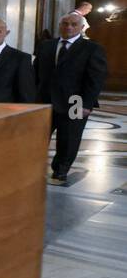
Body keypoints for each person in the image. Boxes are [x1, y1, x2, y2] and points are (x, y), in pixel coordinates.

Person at [34, 12, 108, 181]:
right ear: (60, 25)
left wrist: (87, 104)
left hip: (76, 102)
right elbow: (36, 72)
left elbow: (95, 79)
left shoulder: (92, 49)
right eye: (65, 23)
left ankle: (61, 169)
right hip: (45, 100)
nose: (68, 27)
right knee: (37, 135)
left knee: (68, 138)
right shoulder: (46, 45)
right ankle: (33, 165)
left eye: (73, 24)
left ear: (81, 28)